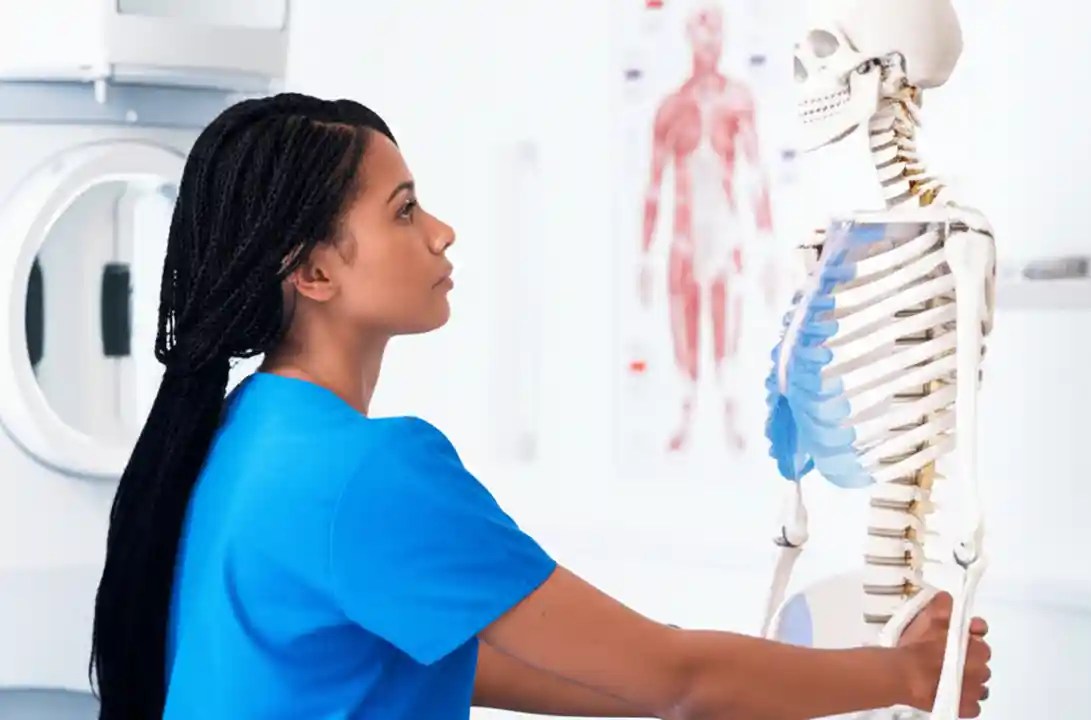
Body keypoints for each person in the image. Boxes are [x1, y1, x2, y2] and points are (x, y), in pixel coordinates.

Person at [89, 92, 992, 720]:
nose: (441, 231)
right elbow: (674, 674)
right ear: (315, 272)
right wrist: (908, 673)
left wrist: (697, 691)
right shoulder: (364, 470)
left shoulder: (247, 433)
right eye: (404, 212)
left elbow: (453, 663)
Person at [638, 2, 777, 453]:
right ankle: (685, 414)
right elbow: (654, 186)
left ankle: (733, 414)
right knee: (685, 327)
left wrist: (769, 247)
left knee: (725, 329)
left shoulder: (738, 100)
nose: (710, 41)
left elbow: (756, 177)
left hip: (725, 232)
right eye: (702, 31)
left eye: (716, 31)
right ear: (689, 39)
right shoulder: (671, 108)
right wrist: (644, 254)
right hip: (683, 238)